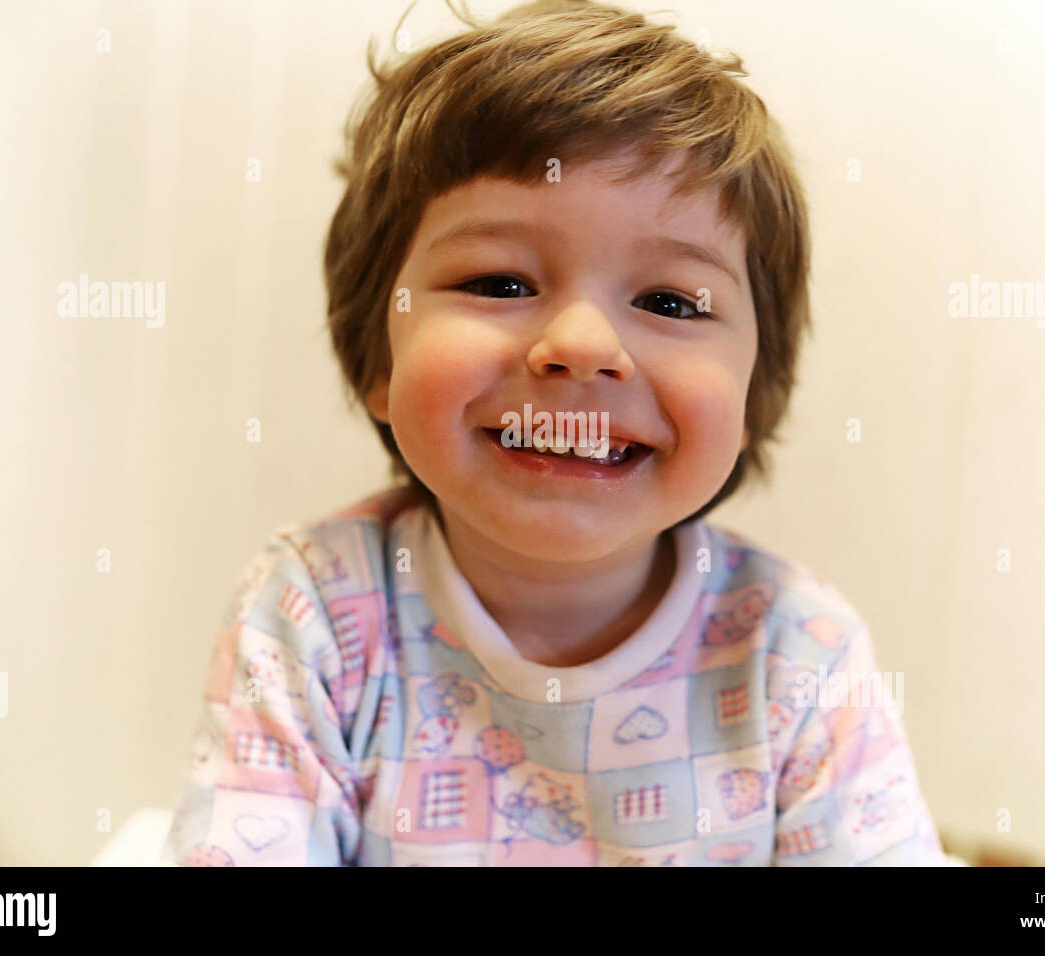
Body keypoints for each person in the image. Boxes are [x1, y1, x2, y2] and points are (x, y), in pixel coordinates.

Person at [159, 0, 945, 866]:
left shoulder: (796, 650)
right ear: (379, 358)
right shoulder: (318, 613)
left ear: (754, 395)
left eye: (670, 302)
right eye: (498, 283)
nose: (580, 345)